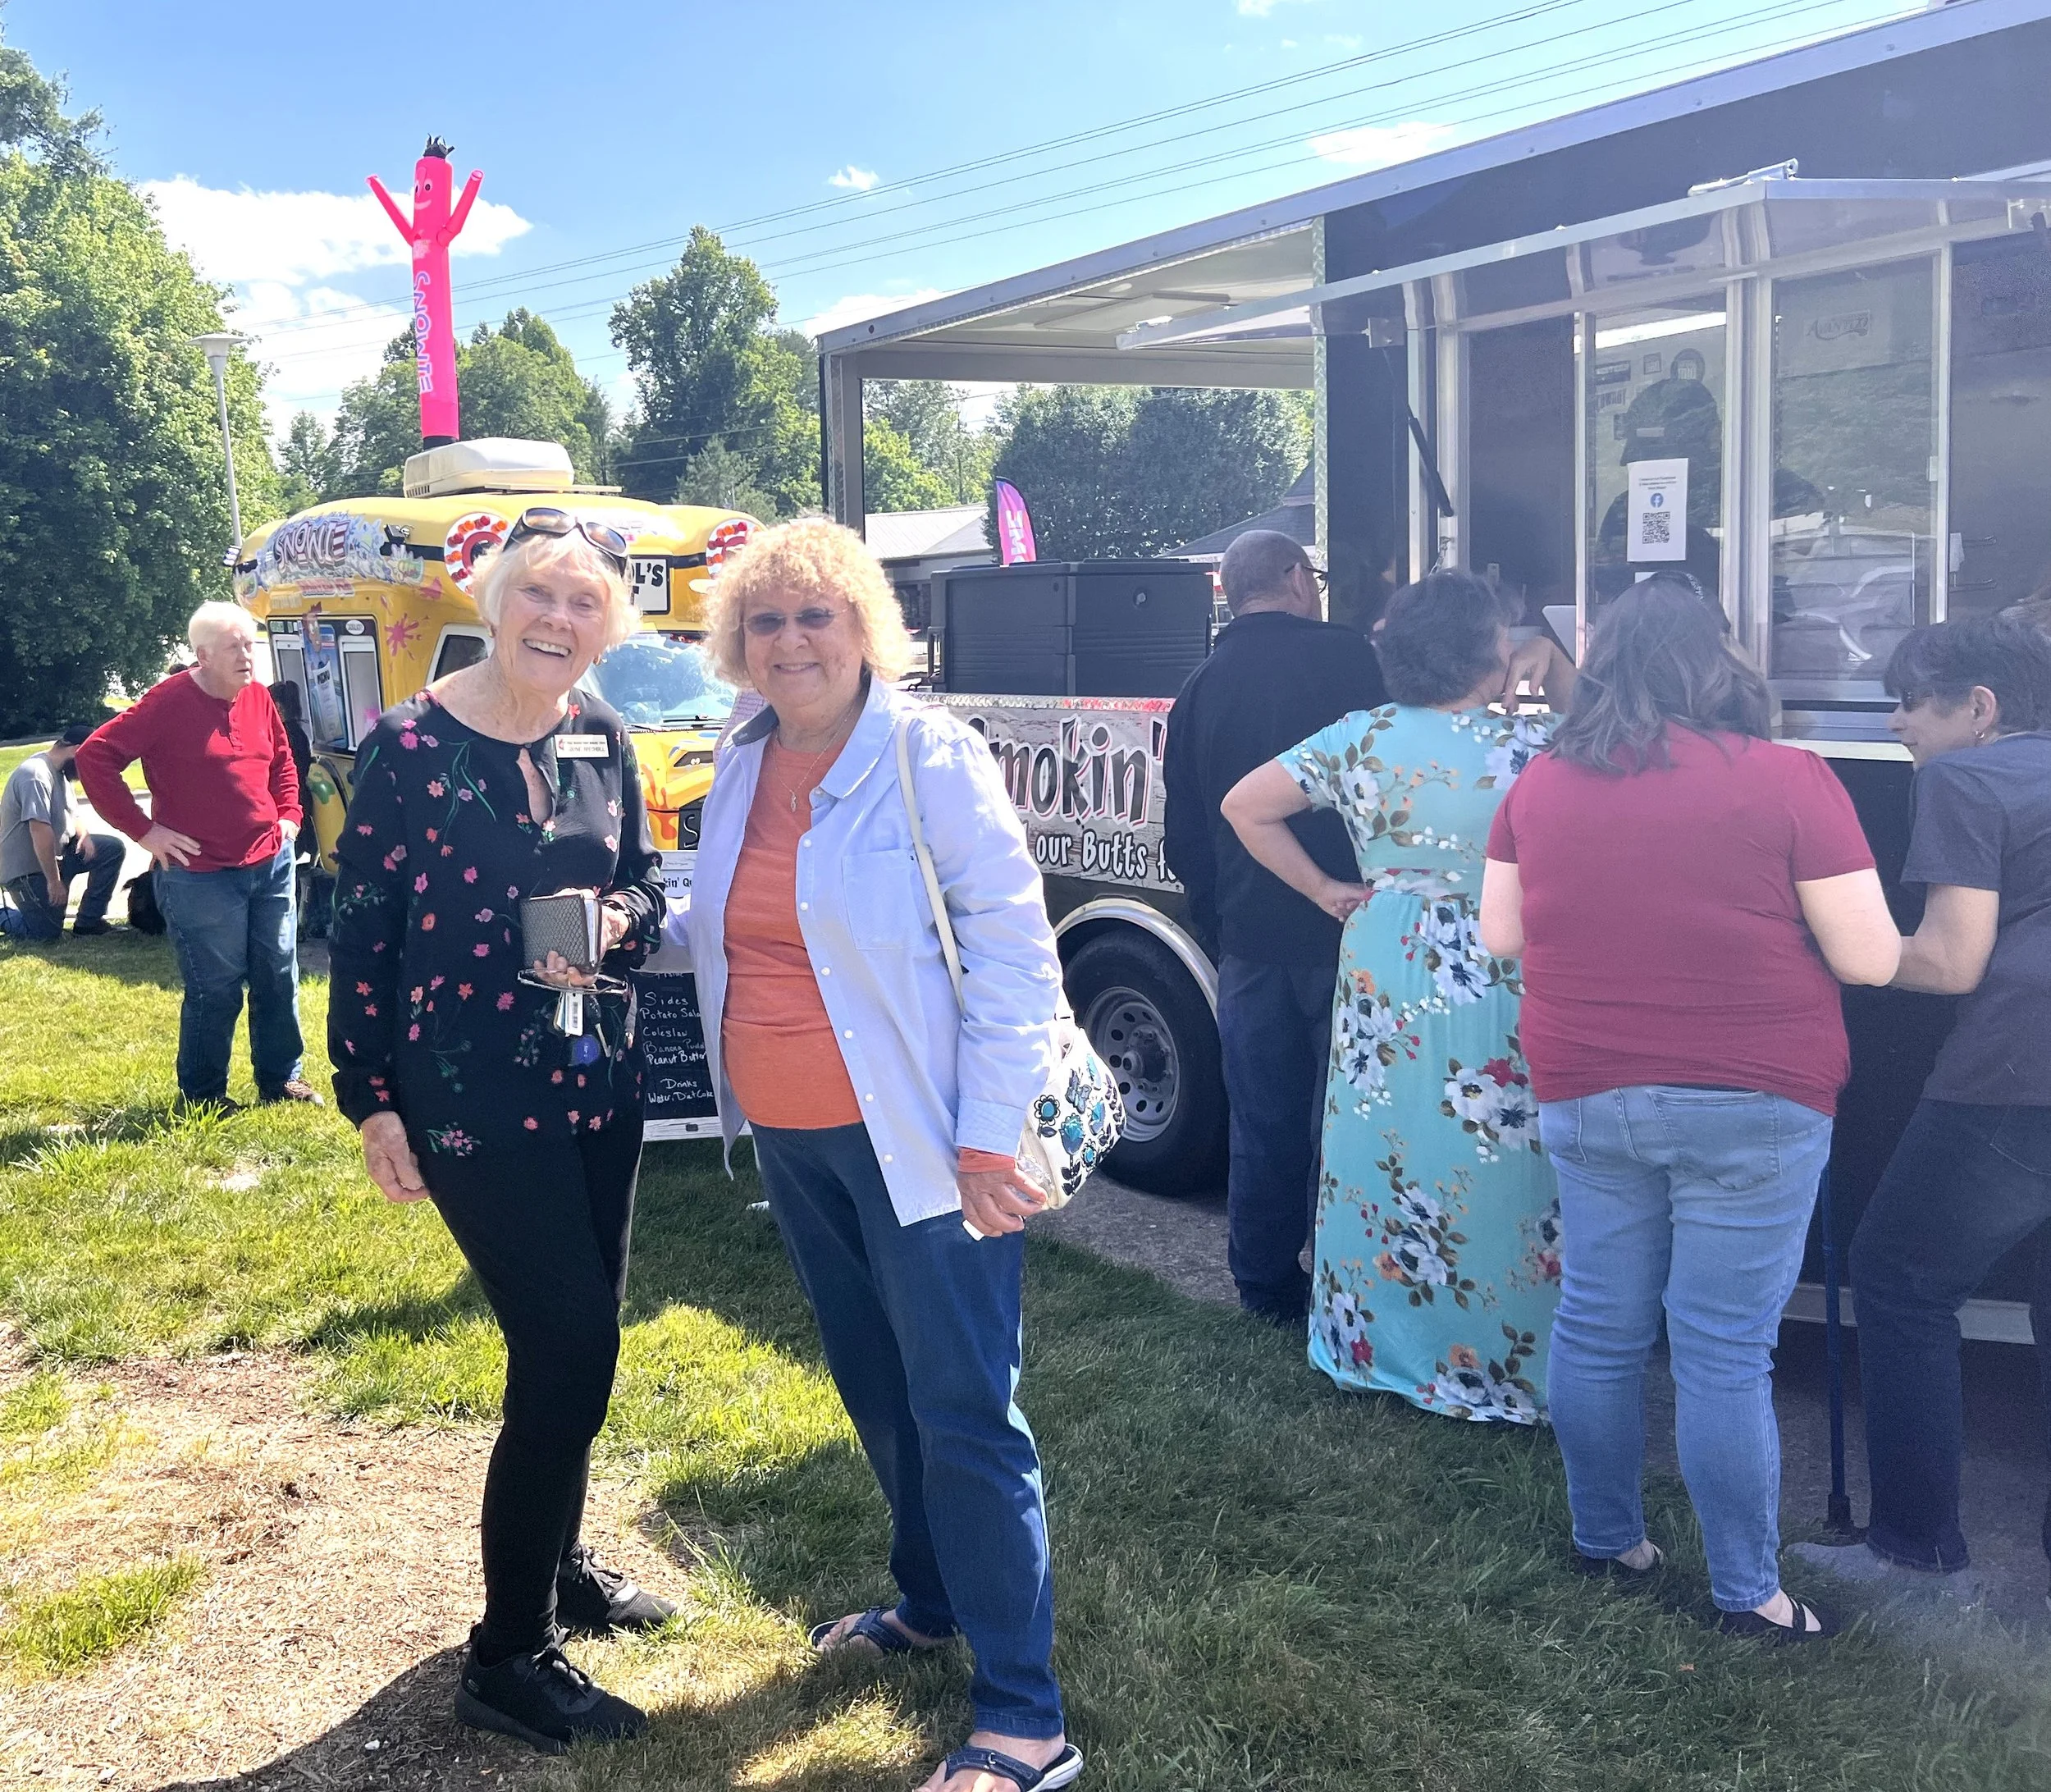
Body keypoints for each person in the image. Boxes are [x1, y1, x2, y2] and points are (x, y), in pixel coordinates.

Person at [671, 518, 1080, 1792]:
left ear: (866, 627)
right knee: (876, 1386)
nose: (790, 641)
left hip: (924, 1144)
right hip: (793, 1142)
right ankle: (930, 1603)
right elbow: (740, 919)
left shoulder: (927, 754)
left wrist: (986, 1136)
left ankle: (1025, 1719)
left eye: (817, 615)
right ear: (736, 643)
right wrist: (634, 923)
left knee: (964, 1411)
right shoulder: (742, 757)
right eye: (765, 621)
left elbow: (1014, 951)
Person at [1478, 576, 1900, 1639]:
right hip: (1756, 1095)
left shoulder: (1540, 784)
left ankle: (1606, 1541)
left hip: (1588, 1087)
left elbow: (1501, 936)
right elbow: (1868, 956)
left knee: (1598, 1325)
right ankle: (1748, 1596)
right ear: (1720, 660)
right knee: (1722, 1351)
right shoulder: (1789, 779)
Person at [329, 510, 671, 1754]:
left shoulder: (602, 734)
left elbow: (644, 883)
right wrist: (369, 1096)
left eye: (585, 603)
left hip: (597, 1077)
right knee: (569, 1346)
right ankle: (508, 1655)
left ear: (607, 626)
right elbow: (363, 925)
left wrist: (614, 923)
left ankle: (558, 1563)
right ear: (493, 599)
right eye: (540, 593)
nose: (559, 619)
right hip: (470, 1095)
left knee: (582, 1344)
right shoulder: (410, 745)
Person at [1222, 572, 1574, 1422]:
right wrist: (1556, 664)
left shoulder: (1361, 737)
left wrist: (1321, 890)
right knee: (1504, 1155)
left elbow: (1244, 806)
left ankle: (1374, 1342)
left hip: (1388, 955)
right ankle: (1505, 1364)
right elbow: (1623, 735)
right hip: (1500, 957)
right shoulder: (1535, 746)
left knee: (1384, 1143)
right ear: (1489, 653)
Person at [1813, 618, 2051, 1589]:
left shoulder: (1965, 779)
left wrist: (1829, 944)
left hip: (2015, 1071)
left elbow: (1950, 961)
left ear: (1979, 707)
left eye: (1911, 702)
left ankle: (1913, 1554)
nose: (1895, 722)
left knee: (1900, 1278)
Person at [1163, 530, 1386, 1324]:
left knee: (1263, 1121)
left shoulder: (1197, 687)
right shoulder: (1350, 659)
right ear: (1296, 578)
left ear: (1229, 592)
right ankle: (1348, 1284)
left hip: (1250, 944)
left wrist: (1220, 925)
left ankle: (1262, 1284)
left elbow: (1185, 834)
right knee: (1351, 1120)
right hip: (1351, 931)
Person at [75, 602, 317, 1111]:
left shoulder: (258, 697)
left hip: (269, 862)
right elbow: (94, 757)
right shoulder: (167, 702)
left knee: (277, 975)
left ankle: (282, 1080)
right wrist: (144, 831)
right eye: (234, 647)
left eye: (250, 645)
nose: (247, 656)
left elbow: (282, 762)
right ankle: (204, 1097)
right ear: (203, 656)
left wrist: (290, 816)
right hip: (200, 876)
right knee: (217, 988)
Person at [0, 723, 123, 939]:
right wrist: (54, 882)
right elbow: (40, 832)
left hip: (59, 857)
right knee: (46, 934)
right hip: (28, 870)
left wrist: (84, 834)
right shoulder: (35, 775)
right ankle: (5, 916)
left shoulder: (60, 773)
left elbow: (72, 813)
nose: (89, 769)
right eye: (89, 761)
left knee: (111, 850)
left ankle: (89, 922)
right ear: (77, 750)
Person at [270, 679, 314, 804]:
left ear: (277, 707)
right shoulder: (299, 733)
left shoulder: (282, 737)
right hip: (301, 798)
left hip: (289, 801)